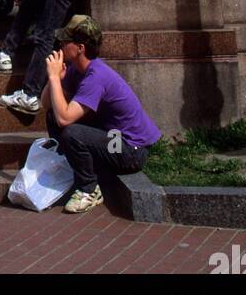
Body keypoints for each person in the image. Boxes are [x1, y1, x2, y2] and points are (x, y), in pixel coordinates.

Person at [44, 15, 161, 213]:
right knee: (52, 117)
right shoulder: (76, 70)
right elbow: (46, 104)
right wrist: (53, 79)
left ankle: (89, 190)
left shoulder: (96, 76)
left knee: (71, 133)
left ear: (80, 48)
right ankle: (78, 170)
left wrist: (55, 78)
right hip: (111, 136)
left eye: (65, 41)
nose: (60, 45)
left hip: (129, 148)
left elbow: (65, 119)